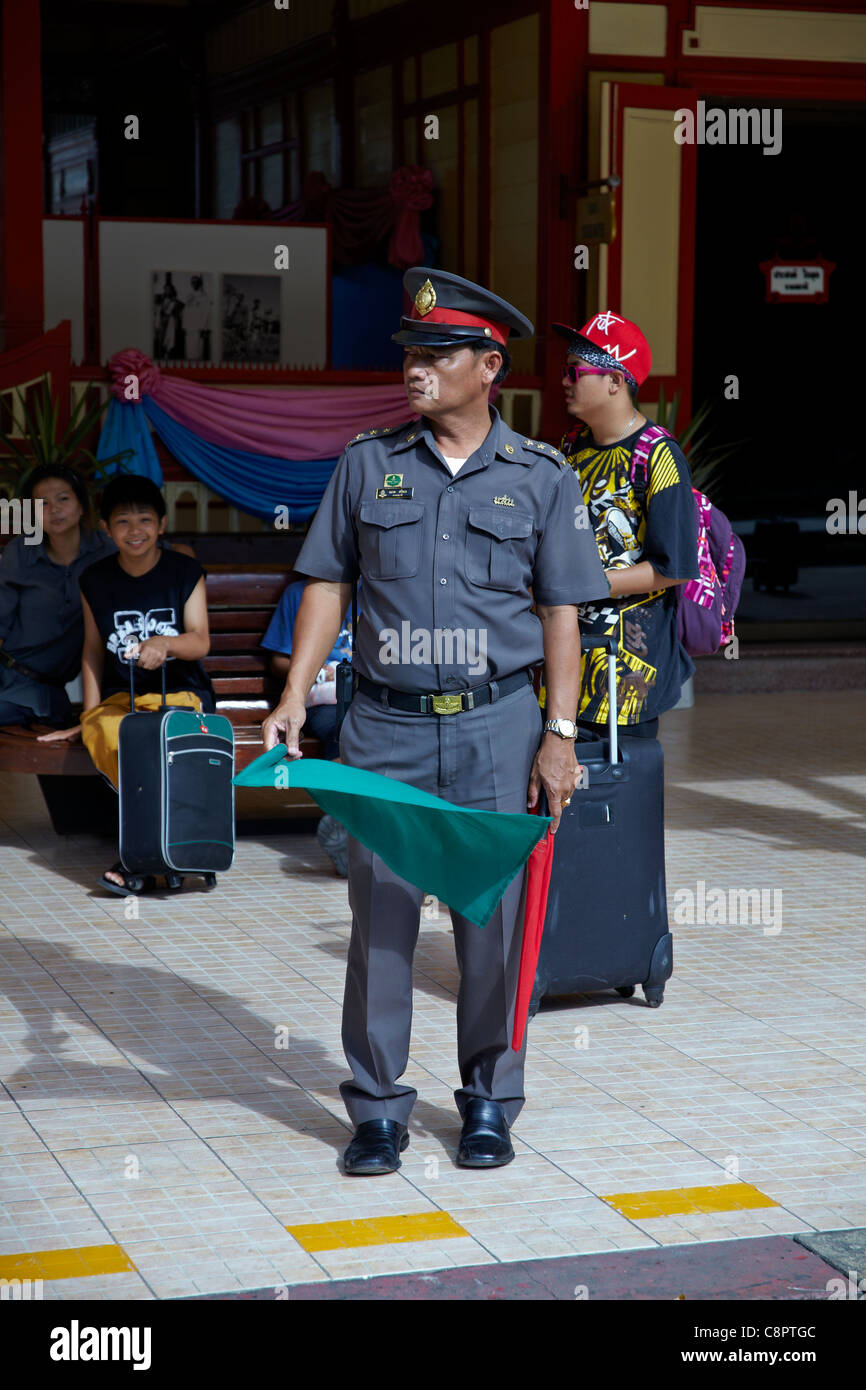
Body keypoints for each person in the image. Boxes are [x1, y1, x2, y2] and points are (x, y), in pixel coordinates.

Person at [262, 267, 608, 1176]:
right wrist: (296, 692)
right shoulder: (367, 464)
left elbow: (563, 612)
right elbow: (328, 583)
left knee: (491, 921)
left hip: (499, 725)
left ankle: (490, 1100)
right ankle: (377, 1109)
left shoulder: (541, 477)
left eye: (434, 354)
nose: (414, 370)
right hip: (385, 730)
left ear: (487, 365)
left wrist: (560, 736)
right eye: (409, 354)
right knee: (381, 917)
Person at [38, 475, 215, 895]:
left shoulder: (184, 571)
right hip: (123, 700)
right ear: (105, 528)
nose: (134, 531)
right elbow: (93, 652)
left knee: (153, 743)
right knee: (108, 732)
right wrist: (88, 716)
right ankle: (160, 849)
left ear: (162, 524)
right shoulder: (95, 580)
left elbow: (200, 640)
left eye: (144, 520)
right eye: (122, 522)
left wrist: (165, 643)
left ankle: (141, 857)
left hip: (182, 695)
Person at [554, 312, 699, 738]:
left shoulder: (659, 457)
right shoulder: (570, 445)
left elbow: (673, 569)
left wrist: (586, 583)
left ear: (615, 381)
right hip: (563, 658)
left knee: (619, 791)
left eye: (574, 372)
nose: (564, 380)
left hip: (628, 670)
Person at [0, 465, 114, 727]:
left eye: (63, 499)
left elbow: (156, 552)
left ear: (82, 505)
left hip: (45, 691)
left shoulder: (105, 552)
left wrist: (180, 549)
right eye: (42, 503)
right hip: (8, 674)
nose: (54, 509)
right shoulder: (21, 552)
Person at [260, 576, 359, 876]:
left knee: (364, 728)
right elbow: (278, 659)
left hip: (367, 700)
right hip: (322, 702)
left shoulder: (377, 588)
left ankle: (349, 826)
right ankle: (351, 829)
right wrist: (318, 667)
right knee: (345, 729)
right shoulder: (299, 592)